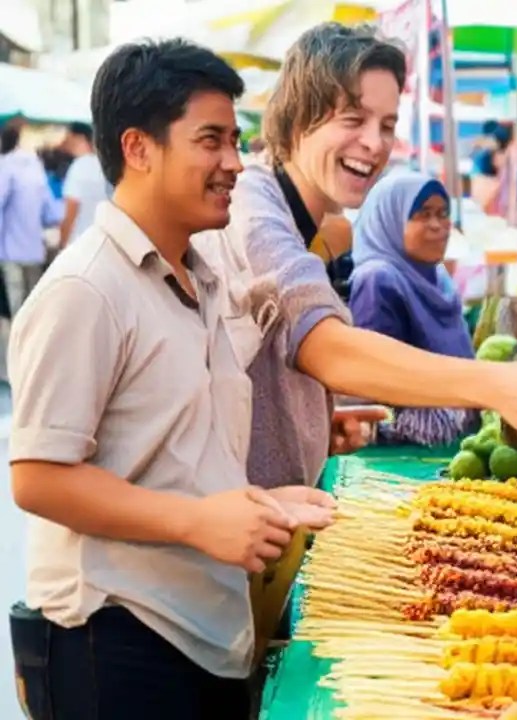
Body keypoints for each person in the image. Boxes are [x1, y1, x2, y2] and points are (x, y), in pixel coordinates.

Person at [7, 39, 334, 718]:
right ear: (139, 148)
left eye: (236, 141)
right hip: (117, 642)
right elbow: (38, 476)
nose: (234, 164)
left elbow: (173, 454)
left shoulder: (198, 275)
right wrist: (196, 523)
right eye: (210, 141)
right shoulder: (86, 289)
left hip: (204, 632)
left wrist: (262, 501)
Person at [195, 23, 517, 493]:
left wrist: (315, 422)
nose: (375, 143)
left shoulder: (312, 219)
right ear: (298, 117)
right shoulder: (254, 205)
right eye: (353, 119)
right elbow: (323, 347)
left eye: (386, 125)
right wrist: (497, 384)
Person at [350, 173, 479, 445]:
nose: (438, 226)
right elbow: (373, 380)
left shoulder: (437, 276)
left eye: (443, 214)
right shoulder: (378, 279)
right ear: (391, 220)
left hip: (457, 432)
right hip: (405, 443)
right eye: (423, 215)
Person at [0, 122, 60, 313]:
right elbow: (50, 212)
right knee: (34, 305)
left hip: (9, 249)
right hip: (34, 249)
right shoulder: (36, 168)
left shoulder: (5, 166)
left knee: (16, 300)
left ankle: (18, 342)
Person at [59, 121, 110, 249]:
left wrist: (62, 243)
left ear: (80, 138)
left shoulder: (79, 166)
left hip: (78, 246)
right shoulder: (105, 166)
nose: (65, 142)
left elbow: (71, 208)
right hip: (103, 245)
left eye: (68, 137)